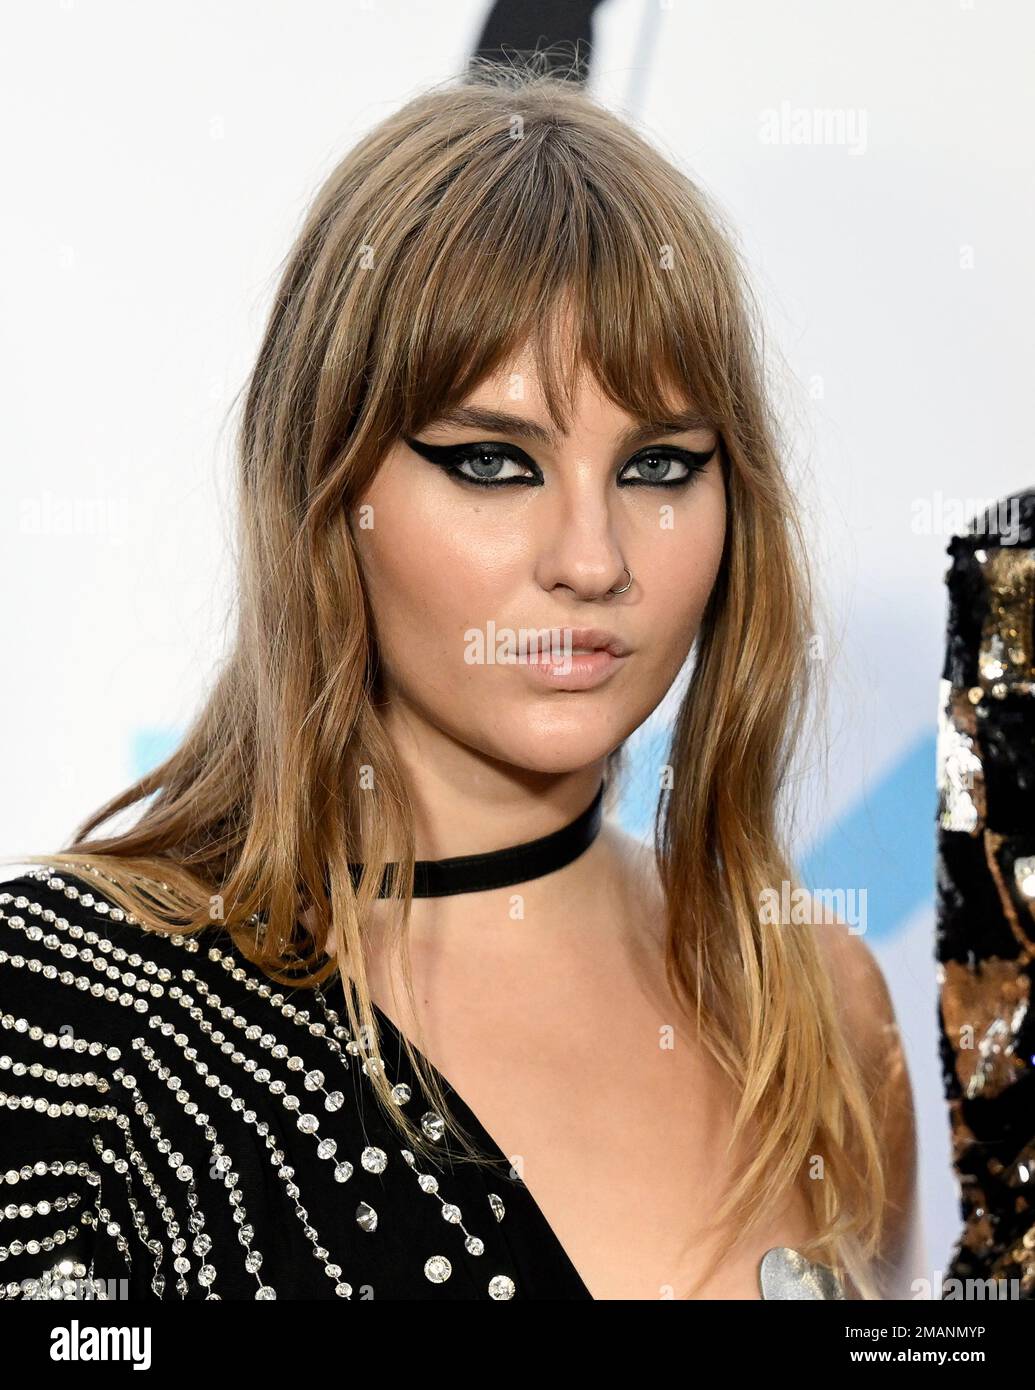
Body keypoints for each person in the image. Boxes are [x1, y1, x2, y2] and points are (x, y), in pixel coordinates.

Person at [0, 59, 919, 1301]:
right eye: (493, 463)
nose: (592, 561)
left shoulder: (816, 1007)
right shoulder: (69, 1017)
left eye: (659, 466)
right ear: (328, 487)